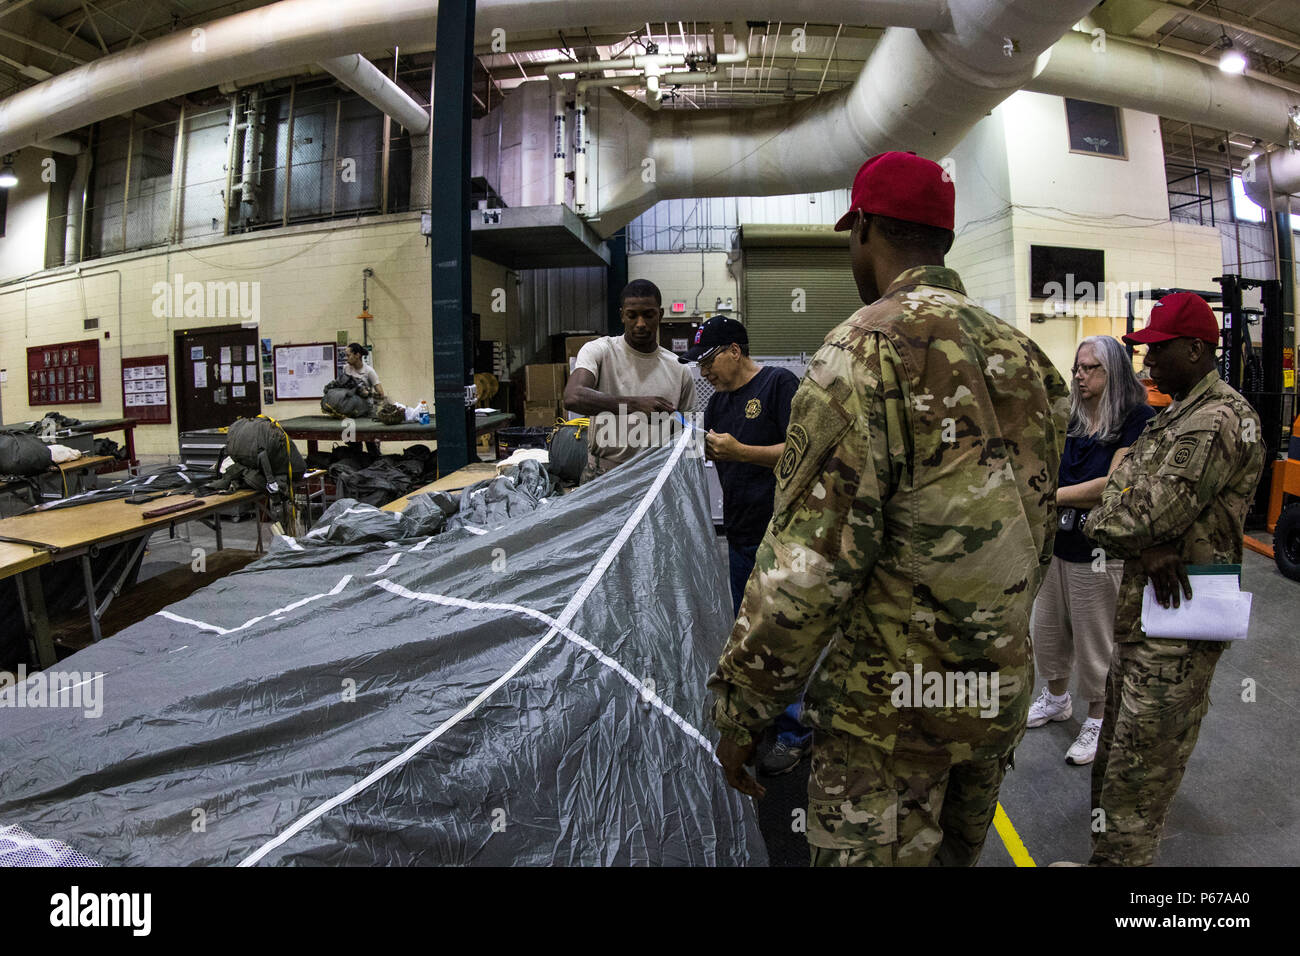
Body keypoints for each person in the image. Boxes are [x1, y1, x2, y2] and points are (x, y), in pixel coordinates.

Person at [707, 150, 1069, 866]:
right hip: (991, 700)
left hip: (889, 721)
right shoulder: (1028, 360)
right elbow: (1038, 526)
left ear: (864, 228)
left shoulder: (860, 352)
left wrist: (743, 710)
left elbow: (807, 568)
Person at [1078, 292, 1264, 866]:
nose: (1147, 364)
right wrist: (1146, 534)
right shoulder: (1177, 414)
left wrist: (1117, 523)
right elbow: (1127, 488)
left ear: (1196, 348)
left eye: (1158, 351)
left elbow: (1131, 511)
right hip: (1143, 617)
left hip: (1176, 633)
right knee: (1115, 757)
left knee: (1139, 777)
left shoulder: (1214, 421)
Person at [682, 315, 809, 775]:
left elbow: (803, 452)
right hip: (739, 538)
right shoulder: (717, 405)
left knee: (785, 634)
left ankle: (795, 731)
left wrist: (742, 453)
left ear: (734, 350)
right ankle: (761, 720)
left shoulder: (778, 385)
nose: (704, 372)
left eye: (709, 360)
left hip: (781, 536)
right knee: (750, 635)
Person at [1027, 335, 1154, 765]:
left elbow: (1113, 485)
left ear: (1113, 371)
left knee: (1095, 640)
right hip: (1057, 544)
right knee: (1048, 631)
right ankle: (1057, 697)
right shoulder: (1074, 418)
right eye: (1077, 368)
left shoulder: (1136, 419)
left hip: (1098, 551)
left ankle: (1099, 718)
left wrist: (1053, 496)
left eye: (1090, 369)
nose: (1079, 376)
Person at [563, 279, 696, 484]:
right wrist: (634, 405)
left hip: (655, 479)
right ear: (622, 315)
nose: (640, 324)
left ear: (660, 315)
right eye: (632, 315)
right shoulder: (600, 351)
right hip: (604, 477)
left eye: (649, 315)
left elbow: (689, 437)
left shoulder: (679, 369)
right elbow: (573, 396)